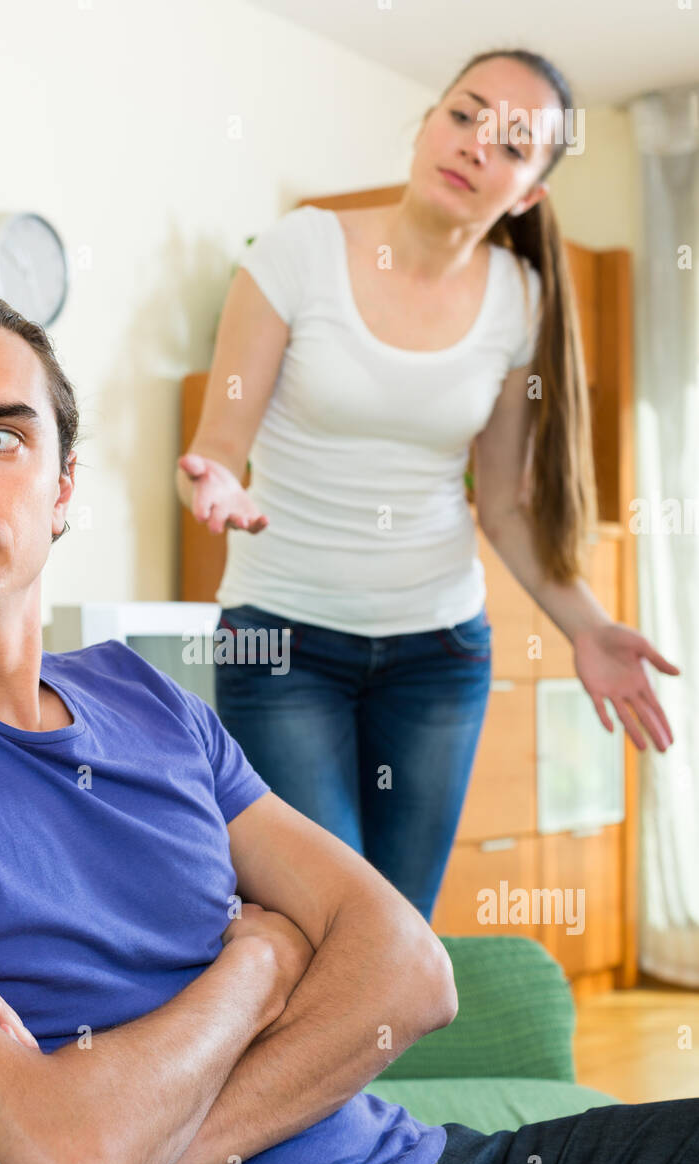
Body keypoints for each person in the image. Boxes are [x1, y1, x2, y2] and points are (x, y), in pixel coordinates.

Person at [0, 290, 695, 1164]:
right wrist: (257, 965)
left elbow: (408, 972)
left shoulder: (144, 697)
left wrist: (127, 1140)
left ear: (64, 486)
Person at [177, 47, 679, 924]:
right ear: (426, 126)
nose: (476, 144)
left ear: (528, 192)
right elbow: (218, 446)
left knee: (397, 937)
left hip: (439, 656)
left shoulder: (519, 301)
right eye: (463, 113)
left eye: (514, 142)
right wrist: (214, 486)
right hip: (280, 642)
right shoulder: (302, 249)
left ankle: (384, 1070)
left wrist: (588, 628)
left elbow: (508, 503)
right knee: (320, 922)